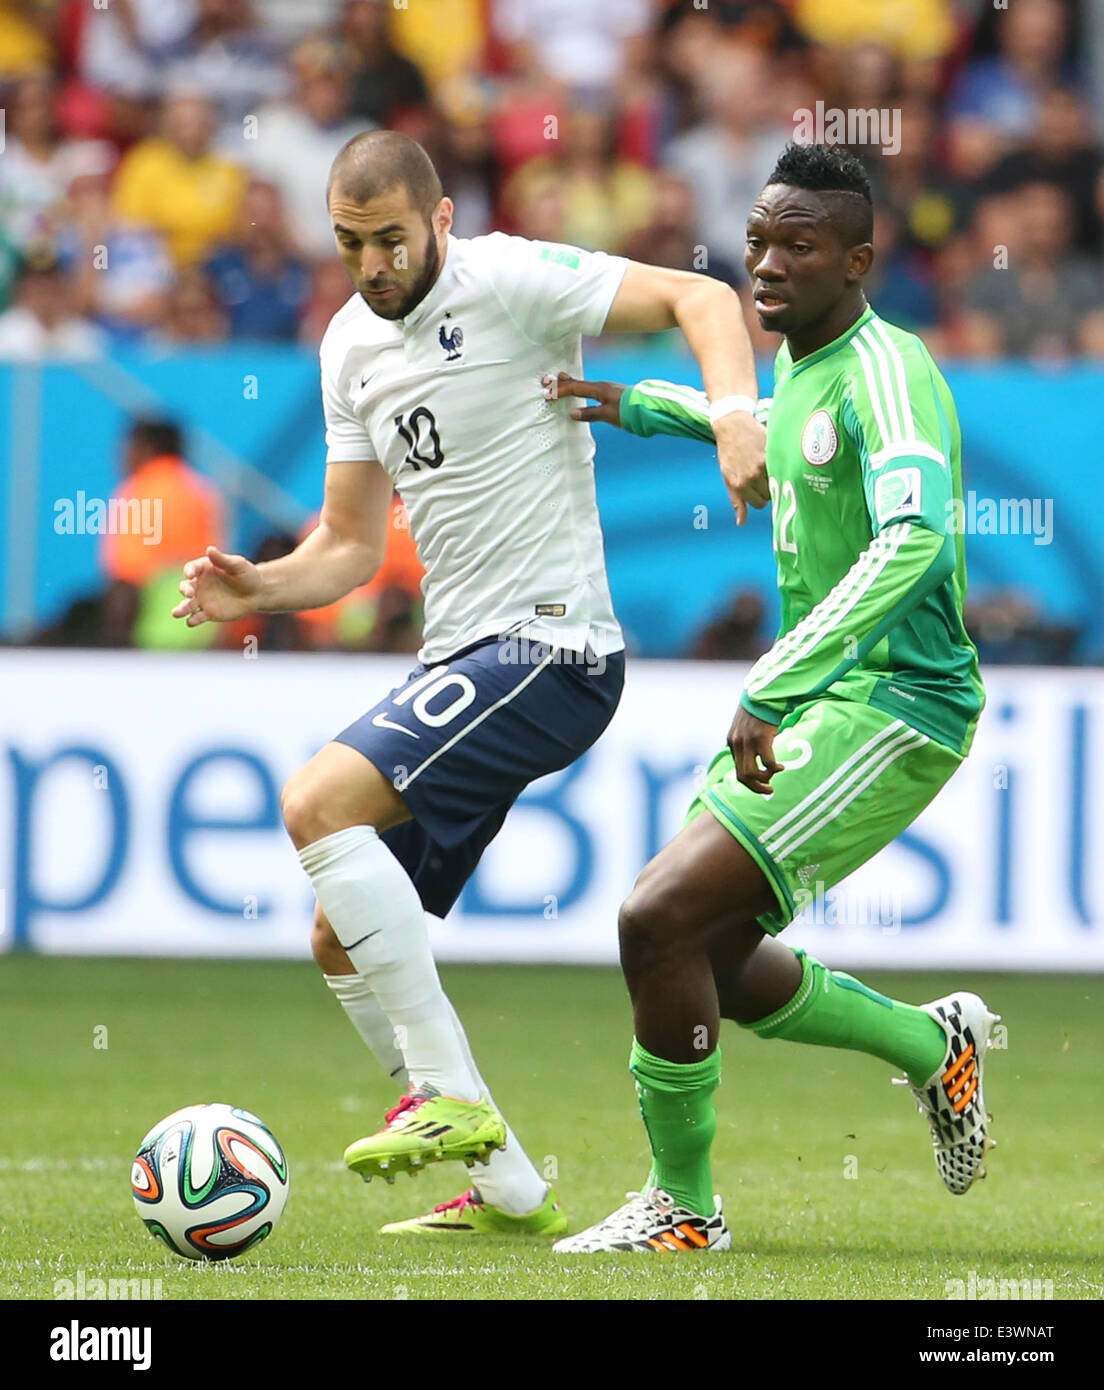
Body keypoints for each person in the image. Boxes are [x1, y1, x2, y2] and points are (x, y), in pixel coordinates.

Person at [171, 130, 767, 1239]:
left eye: (391, 239)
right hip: (462, 657)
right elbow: (348, 546)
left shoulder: (512, 279)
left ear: (439, 219)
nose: (373, 265)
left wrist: (736, 415)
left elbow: (705, 297)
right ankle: (506, 1186)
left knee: (314, 802)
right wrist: (260, 588)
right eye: (350, 244)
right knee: (338, 935)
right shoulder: (348, 344)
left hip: (554, 649)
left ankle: (442, 1097)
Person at [549, 143, 995, 1255]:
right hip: (828, 697)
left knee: (656, 918)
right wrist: (631, 403)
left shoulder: (890, 370)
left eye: (800, 244)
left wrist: (775, 677)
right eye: (757, 240)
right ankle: (931, 1045)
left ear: (860, 259)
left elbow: (914, 536)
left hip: (896, 702)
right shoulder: (803, 365)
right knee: (711, 959)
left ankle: (685, 1210)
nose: (768, 263)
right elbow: (775, 439)